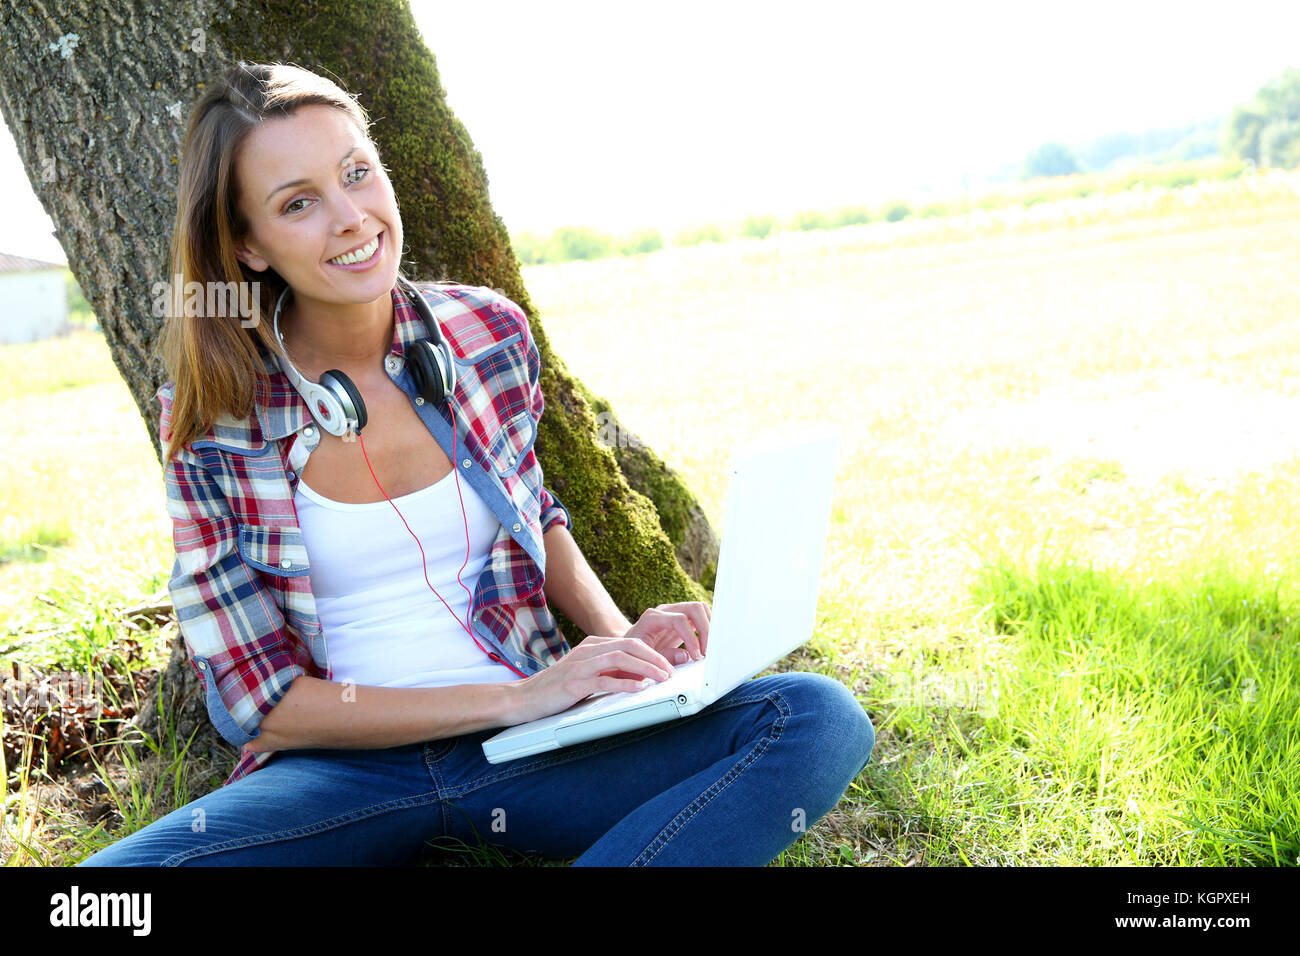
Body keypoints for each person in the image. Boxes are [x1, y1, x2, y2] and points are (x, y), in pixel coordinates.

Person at [75, 62, 874, 867]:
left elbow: (537, 508)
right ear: (247, 245)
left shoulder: (484, 331)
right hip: (340, 774)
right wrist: (516, 694)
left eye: (357, 174)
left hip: (532, 748)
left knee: (813, 717)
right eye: (299, 202)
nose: (352, 218)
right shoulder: (215, 417)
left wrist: (623, 644)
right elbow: (262, 705)